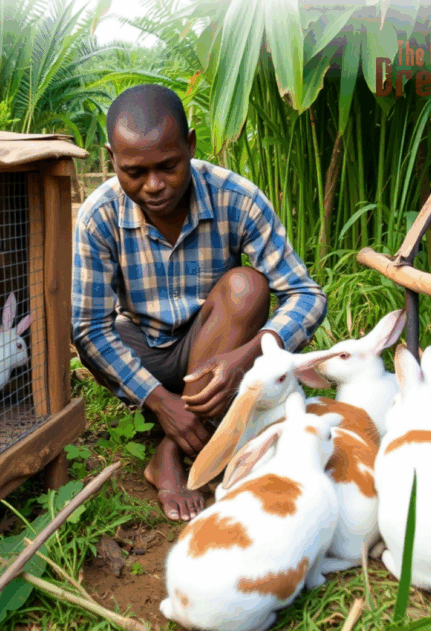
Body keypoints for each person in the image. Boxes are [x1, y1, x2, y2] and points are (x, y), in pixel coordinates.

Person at [71, 84, 327, 522]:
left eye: (168, 166)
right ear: (111, 157)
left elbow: (305, 294)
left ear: (190, 145)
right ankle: (184, 422)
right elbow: (89, 328)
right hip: (143, 351)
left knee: (247, 286)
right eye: (134, 171)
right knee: (93, 330)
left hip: (215, 349)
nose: (154, 186)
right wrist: (157, 400)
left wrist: (246, 356)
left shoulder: (236, 197)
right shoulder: (99, 215)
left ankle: (169, 452)